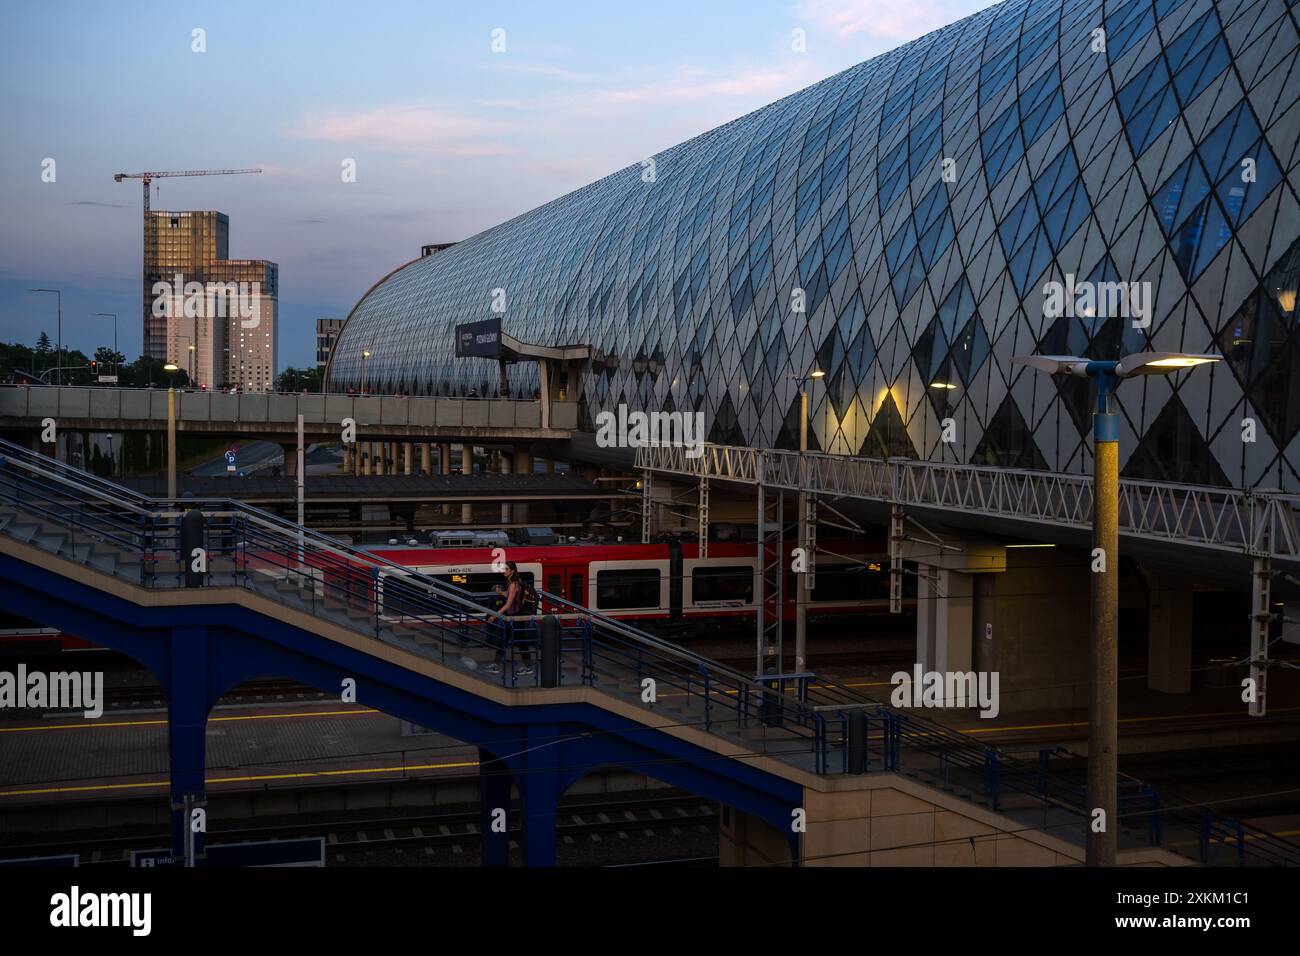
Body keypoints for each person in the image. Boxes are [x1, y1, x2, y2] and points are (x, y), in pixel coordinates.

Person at [488, 561, 533, 677]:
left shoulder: (513, 584)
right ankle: (496, 664)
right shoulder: (514, 583)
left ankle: (528, 667)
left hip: (515, 618)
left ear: (512, 571)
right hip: (513, 617)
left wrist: (494, 615)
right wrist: (501, 592)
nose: (504, 571)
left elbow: (508, 604)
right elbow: (510, 596)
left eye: (507, 569)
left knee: (520, 642)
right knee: (506, 639)